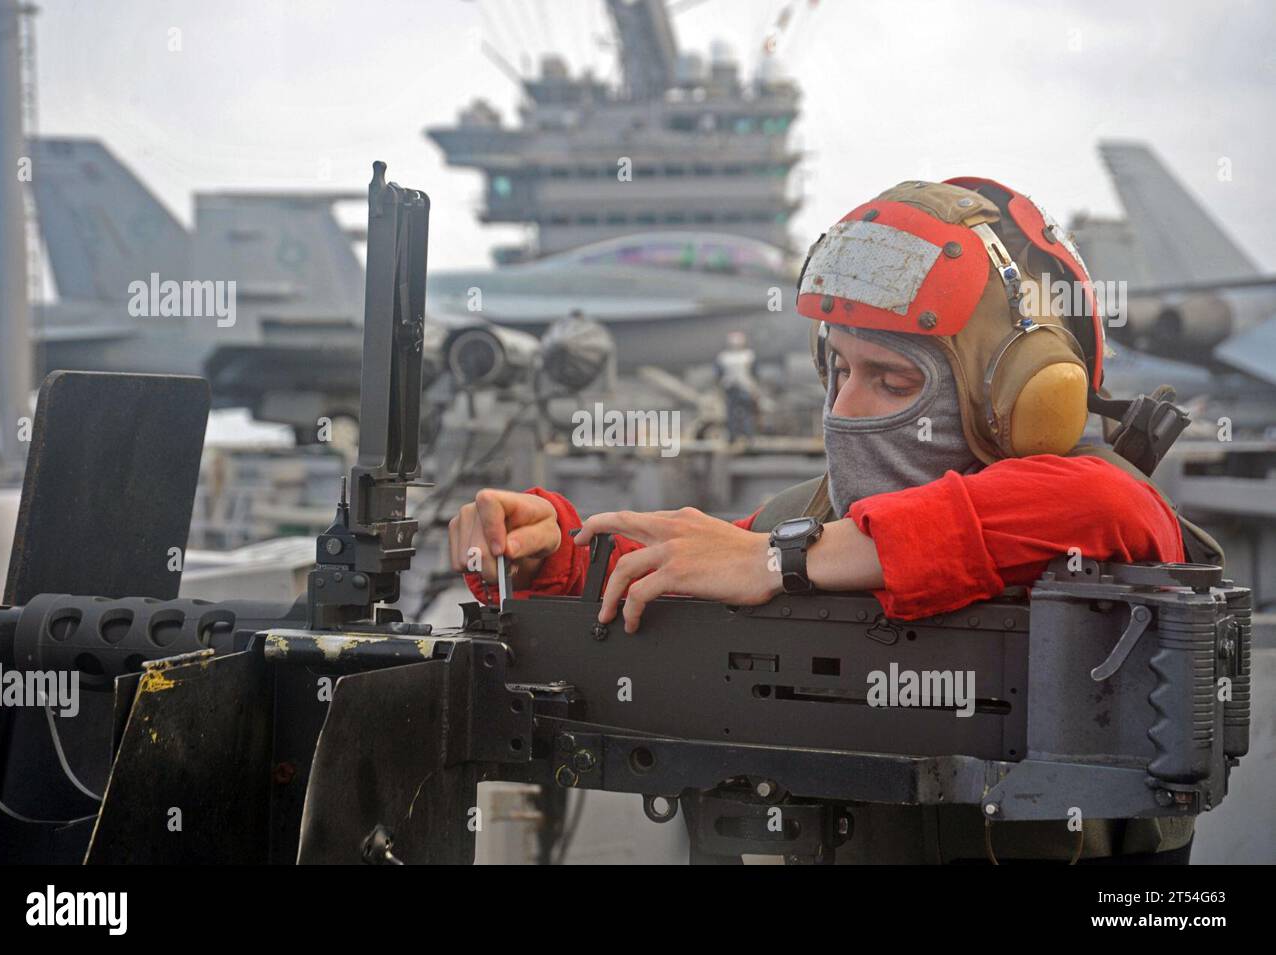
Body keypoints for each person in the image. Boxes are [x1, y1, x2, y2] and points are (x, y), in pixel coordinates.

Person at [447, 177, 1216, 864]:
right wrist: (545, 550)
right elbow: (672, 571)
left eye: (891, 379)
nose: (845, 410)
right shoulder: (803, 522)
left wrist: (779, 564)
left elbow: (1111, 503)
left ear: (1019, 400)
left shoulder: (1100, 516)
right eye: (838, 369)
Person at [714, 330, 759, 442]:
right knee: (746, 413)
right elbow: (755, 373)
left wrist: (720, 388)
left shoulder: (723, 357)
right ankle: (748, 437)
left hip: (731, 388)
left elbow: (718, 375)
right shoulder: (749, 355)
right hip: (744, 388)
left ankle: (733, 437)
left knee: (732, 414)